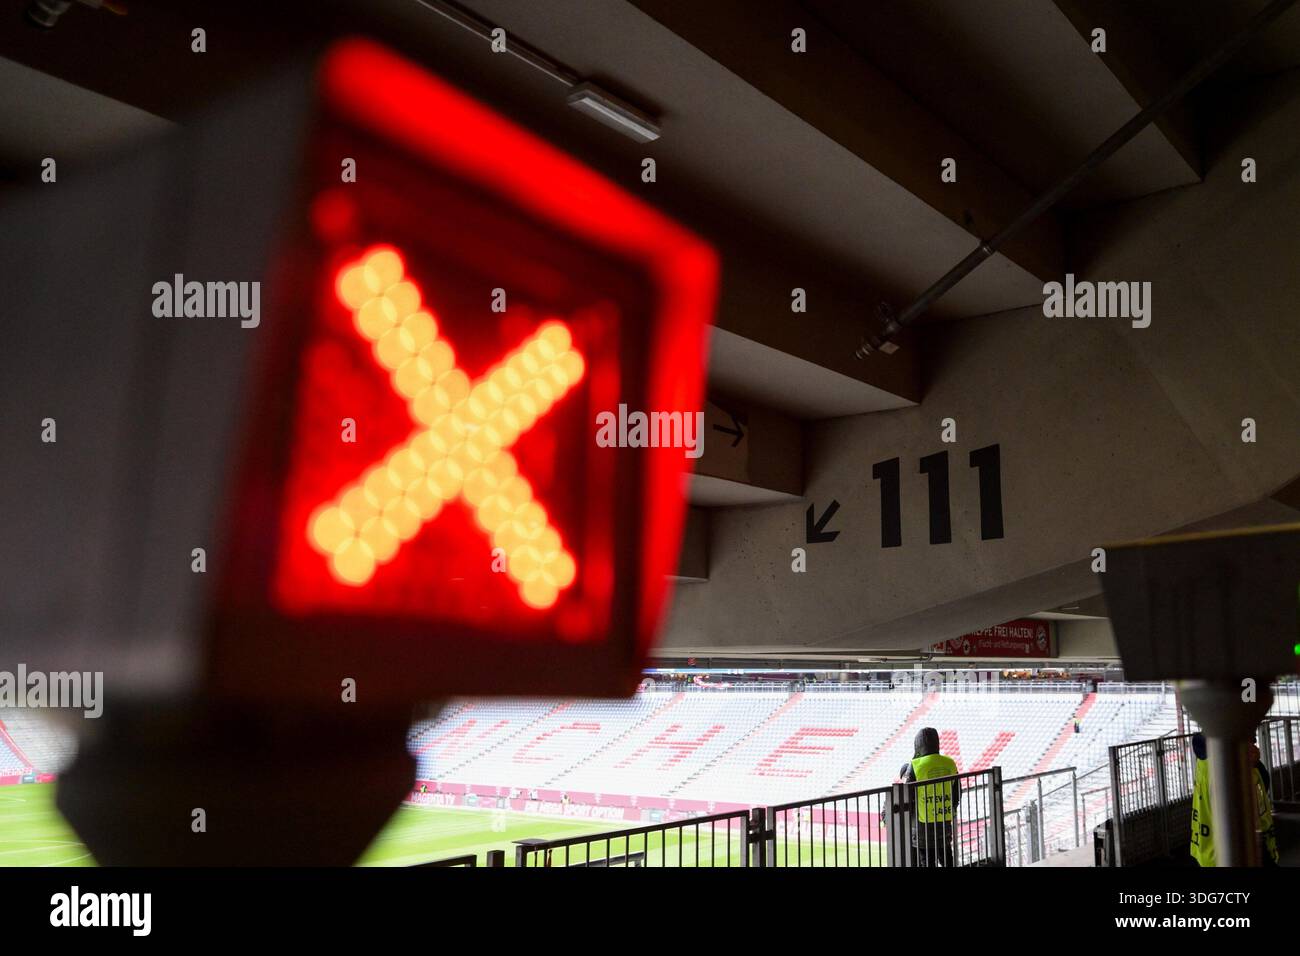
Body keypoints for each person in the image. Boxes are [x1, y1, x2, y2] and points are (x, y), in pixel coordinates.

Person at [1189, 733, 1278, 866]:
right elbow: (1241, 823)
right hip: (1231, 857)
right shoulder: (1229, 770)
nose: (1253, 746)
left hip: (1209, 855)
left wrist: (1255, 764)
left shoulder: (1209, 761)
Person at [900, 727, 960, 866]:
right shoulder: (950, 762)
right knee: (947, 859)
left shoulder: (915, 765)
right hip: (944, 822)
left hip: (922, 828)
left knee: (926, 862)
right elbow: (957, 793)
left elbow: (906, 796)